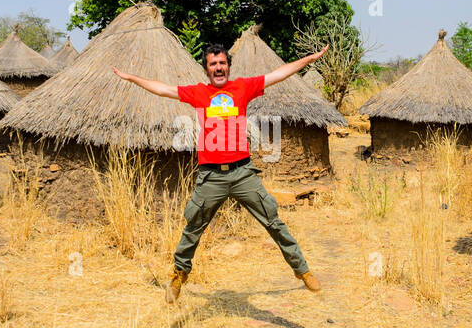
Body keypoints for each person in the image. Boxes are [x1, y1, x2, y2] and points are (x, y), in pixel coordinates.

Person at [112, 39, 328, 302]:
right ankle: (179, 275)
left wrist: (308, 60)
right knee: (193, 226)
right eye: (213, 64)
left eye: (222, 63)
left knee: (273, 220)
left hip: (242, 174)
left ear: (228, 66)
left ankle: (302, 270)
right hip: (211, 176)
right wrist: (131, 77)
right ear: (206, 69)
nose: (218, 67)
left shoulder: (243, 87)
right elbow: (162, 89)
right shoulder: (198, 92)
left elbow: (278, 74)